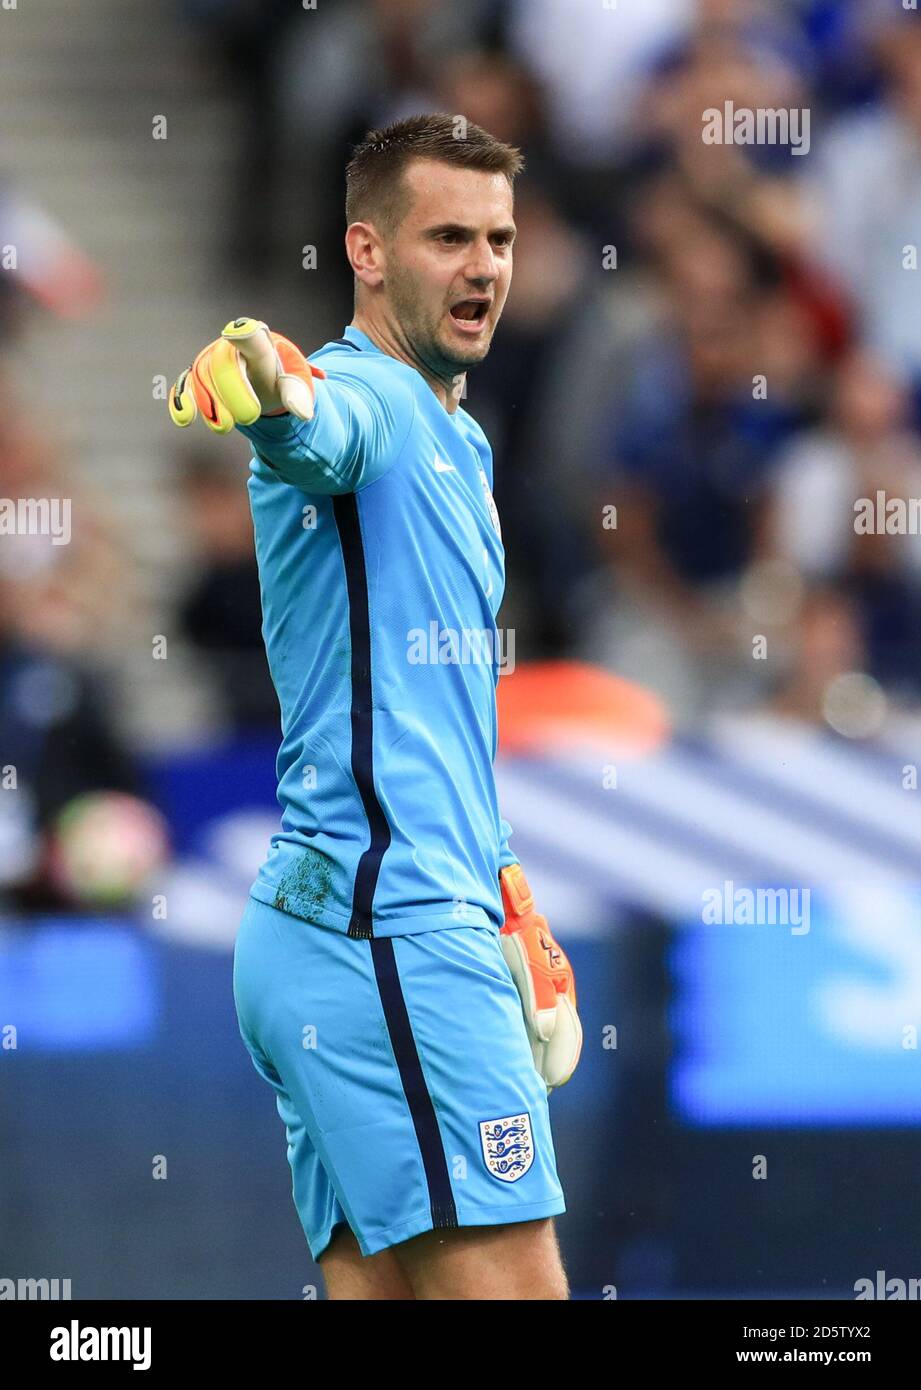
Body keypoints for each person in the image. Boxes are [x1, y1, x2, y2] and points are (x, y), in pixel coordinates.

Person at [167, 114, 581, 1300]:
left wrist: (506, 894)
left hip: (358, 923)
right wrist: (266, 386)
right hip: (386, 932)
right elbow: (310, 425)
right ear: (366, 250)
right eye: (448, 235)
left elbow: (436, 717)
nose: (485, 265)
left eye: (499, 237)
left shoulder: (462, 437)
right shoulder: (370, 399)